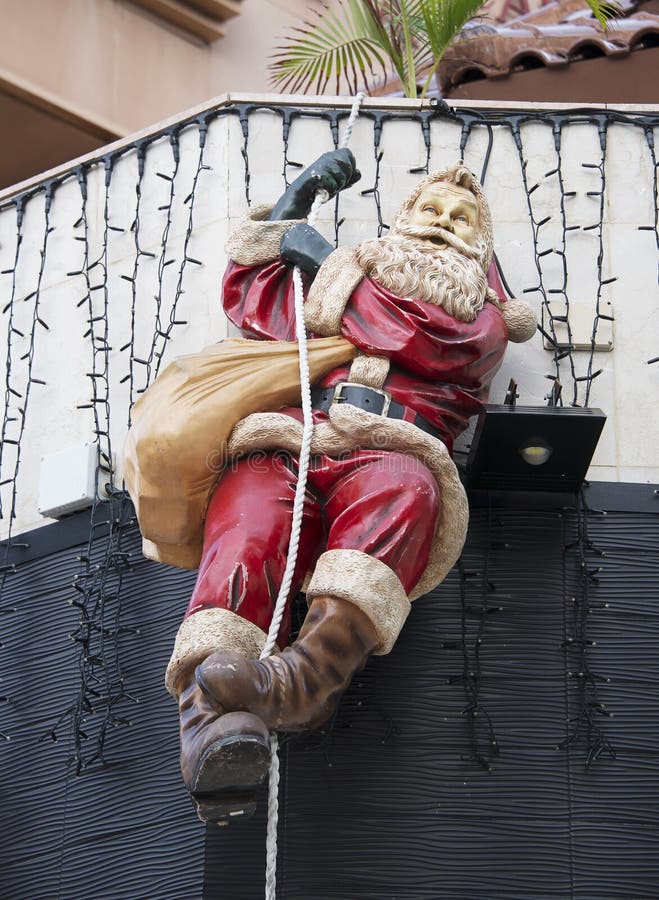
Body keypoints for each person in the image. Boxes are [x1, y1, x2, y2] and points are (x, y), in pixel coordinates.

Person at [166, 150, 536, 824]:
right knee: (248, 513)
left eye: (460, 218)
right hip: (297, 433)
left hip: (389, 444)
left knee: (404, 491)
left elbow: (425, 337)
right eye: (431, 209)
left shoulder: (477, 315)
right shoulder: (339, 278)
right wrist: (298, 196)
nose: (443, 224)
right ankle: (208, 726)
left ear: (478, 244)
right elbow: (255, 292)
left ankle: (305, 680)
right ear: (404, 218)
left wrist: (324, 260)